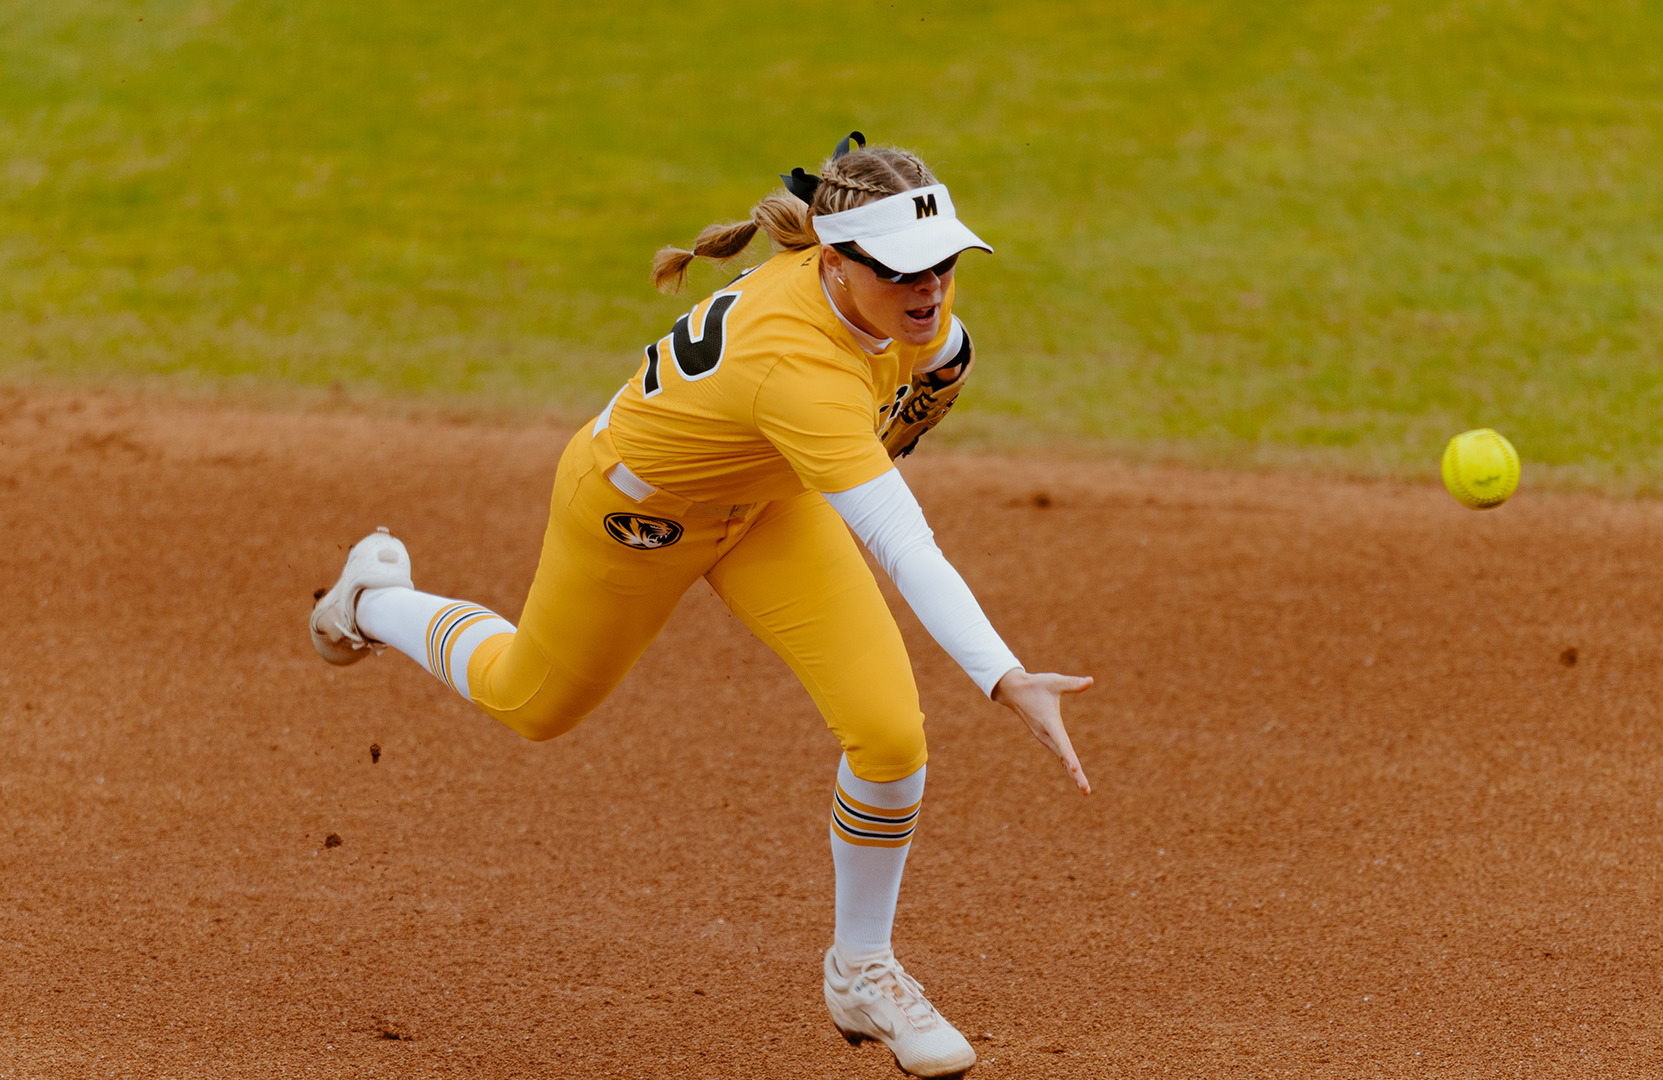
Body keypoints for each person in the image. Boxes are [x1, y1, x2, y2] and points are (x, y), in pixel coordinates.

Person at [307, 133, 1092, 1079]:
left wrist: (944, 361)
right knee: (533, 703)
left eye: (944, 264)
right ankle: (378, 599)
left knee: (889, 735)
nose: (928, 289)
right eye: (902, 272)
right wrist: (1004, 675)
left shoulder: (902, 295)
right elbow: (902, 544)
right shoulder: (792, 367)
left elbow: (930, 360)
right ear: (835, 262)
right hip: (631, 516)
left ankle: (864, 969)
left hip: (766, 509)